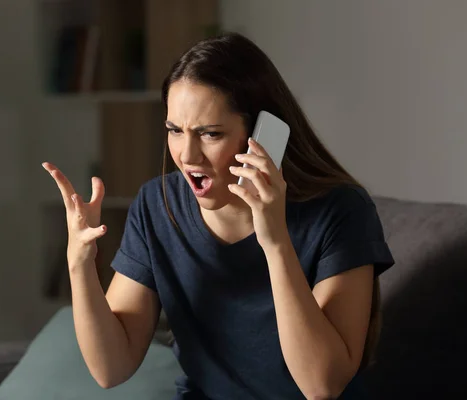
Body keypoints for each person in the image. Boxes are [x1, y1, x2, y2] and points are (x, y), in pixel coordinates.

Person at [42, 32, 394, 400]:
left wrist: (275, 242)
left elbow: (321, 385)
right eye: (175, 131)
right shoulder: (156, 206)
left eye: (210, 134)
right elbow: (110, 370)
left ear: (261, 135)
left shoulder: (341, 211)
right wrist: (79, 265)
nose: (187, 155)